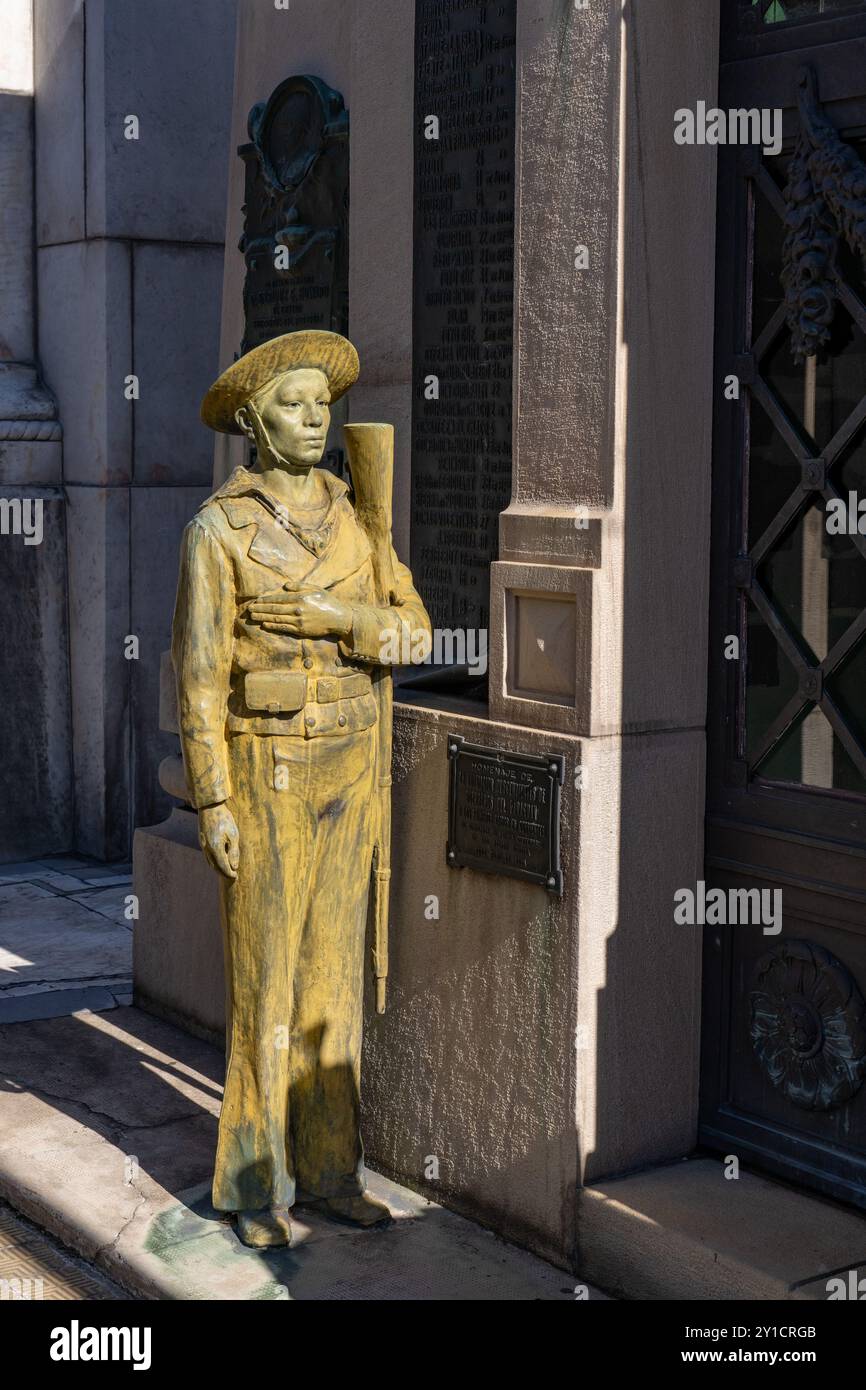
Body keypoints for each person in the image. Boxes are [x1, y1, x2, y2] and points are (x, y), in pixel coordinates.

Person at [171, 330, 431, 1248]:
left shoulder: (362, 521)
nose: (316, 417)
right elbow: (198, 677)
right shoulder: (218, 530)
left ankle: (327, 1174)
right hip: (267, 772)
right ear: (252, 420)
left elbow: (417, 634)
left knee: (332, 988)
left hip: (353, 769)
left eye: (324, 402)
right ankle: (249, 1184)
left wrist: (341, 615)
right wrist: (212, 800)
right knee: (266, 989)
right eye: (294, 402)